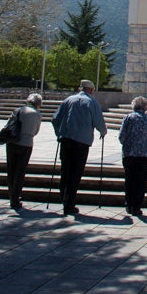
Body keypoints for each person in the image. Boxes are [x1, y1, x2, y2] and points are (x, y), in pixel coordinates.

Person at [51, 79, 107, 215]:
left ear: (80, 88)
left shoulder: (68, 100)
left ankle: (64, 199)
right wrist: (103, 132)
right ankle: (69, 203)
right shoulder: (92, 102)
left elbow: (55, 119)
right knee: (76, 172)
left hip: (66, 139)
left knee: (65, 170)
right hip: (82, 142)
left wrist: (59, 133)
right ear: (91, 90)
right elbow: (99, 121)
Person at [118, 96, 147, 215]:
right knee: (141, 181)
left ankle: (128, 204)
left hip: (129, 154)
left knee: (129, 179)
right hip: (144, 155)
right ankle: (137, 207)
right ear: (145, 107)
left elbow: (121, 137)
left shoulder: (128, 118)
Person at [5, 92, 43, 210]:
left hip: (12, 143)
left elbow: (8, 125)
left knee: (11, 170)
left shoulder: (18, 110)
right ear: (38, 104)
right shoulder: (37, 114)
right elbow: (36, 131)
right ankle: (16, 197)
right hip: (26, 144)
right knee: (20, 172)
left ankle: (12, 196)